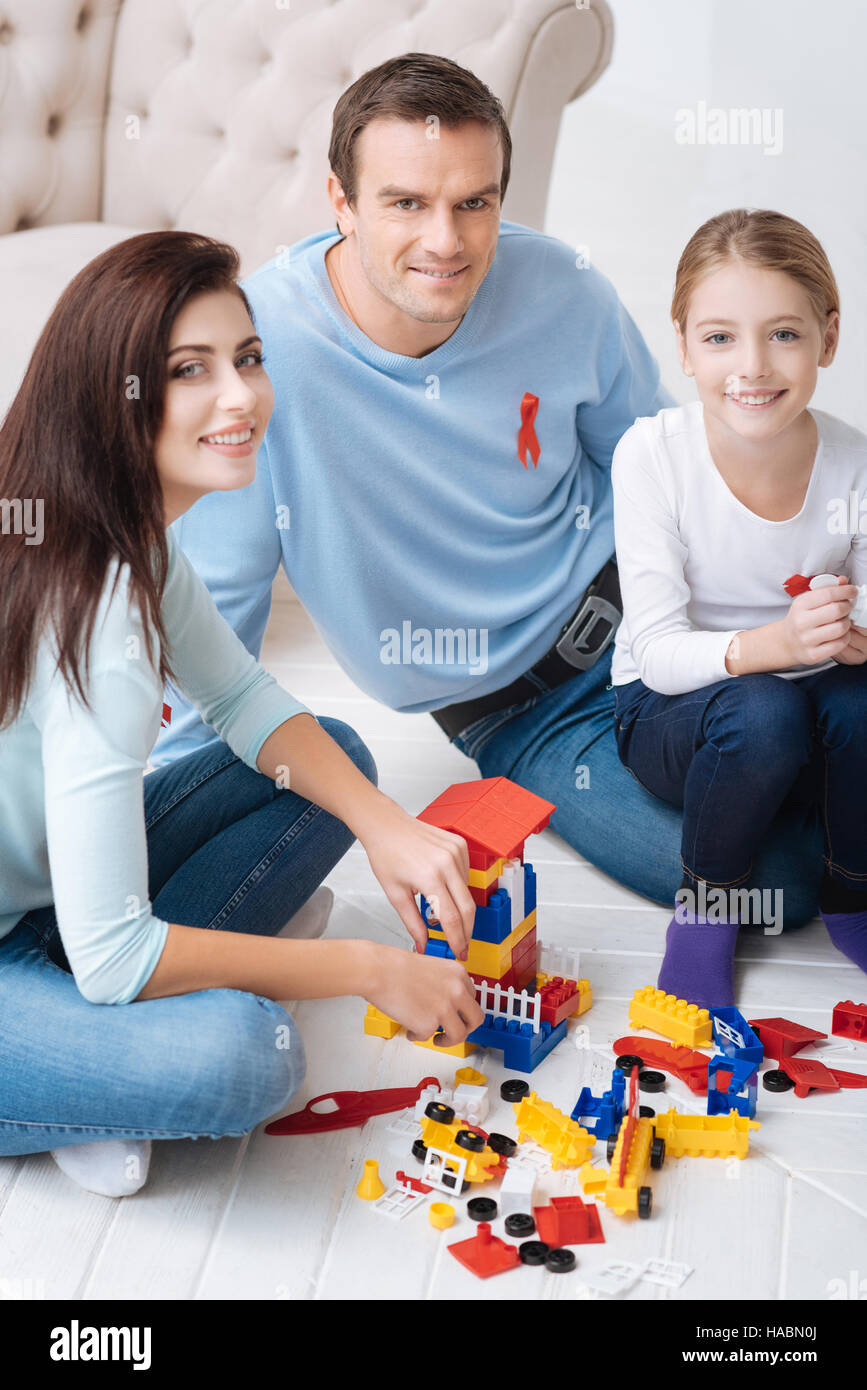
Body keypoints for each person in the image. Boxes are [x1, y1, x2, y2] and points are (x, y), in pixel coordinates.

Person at [153, 53, 825, 929]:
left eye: (475, 202)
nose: (447, 240)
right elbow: (218, 610)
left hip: (663, 603)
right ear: (340, 203)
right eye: (406, 203)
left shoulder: (561, 287)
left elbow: (664, 463)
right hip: (525, 715)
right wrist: (158, 820)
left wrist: (778, 577)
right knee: (771, 881)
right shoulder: (255, 354)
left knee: (833, 759)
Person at [0, 230, 484, 1198]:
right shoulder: (98, 618)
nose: (241, 396)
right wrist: (366, 968)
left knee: (331, 763)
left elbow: (239, 696)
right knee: (246, 1054)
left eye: (249, 358)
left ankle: (84, 1063)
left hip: (43, 890)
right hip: (76, 937)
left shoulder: (121, 526)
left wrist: (388, 829)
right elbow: (116, 958)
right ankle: (85, 1083)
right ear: (114, 396)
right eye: (191, 372)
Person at [610, 208, 867, 1008]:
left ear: (826, 338)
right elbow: (654, 651)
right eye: (719, 338)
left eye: (783, 334)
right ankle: (705, 916)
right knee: (762, 712)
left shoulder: (854, 462)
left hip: (809, 700)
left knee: (856, 707)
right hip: (672, 713)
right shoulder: (652, 454)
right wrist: (780, 644)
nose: (752, 366)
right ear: (683, 346)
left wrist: (854, 633)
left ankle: (851, 894)